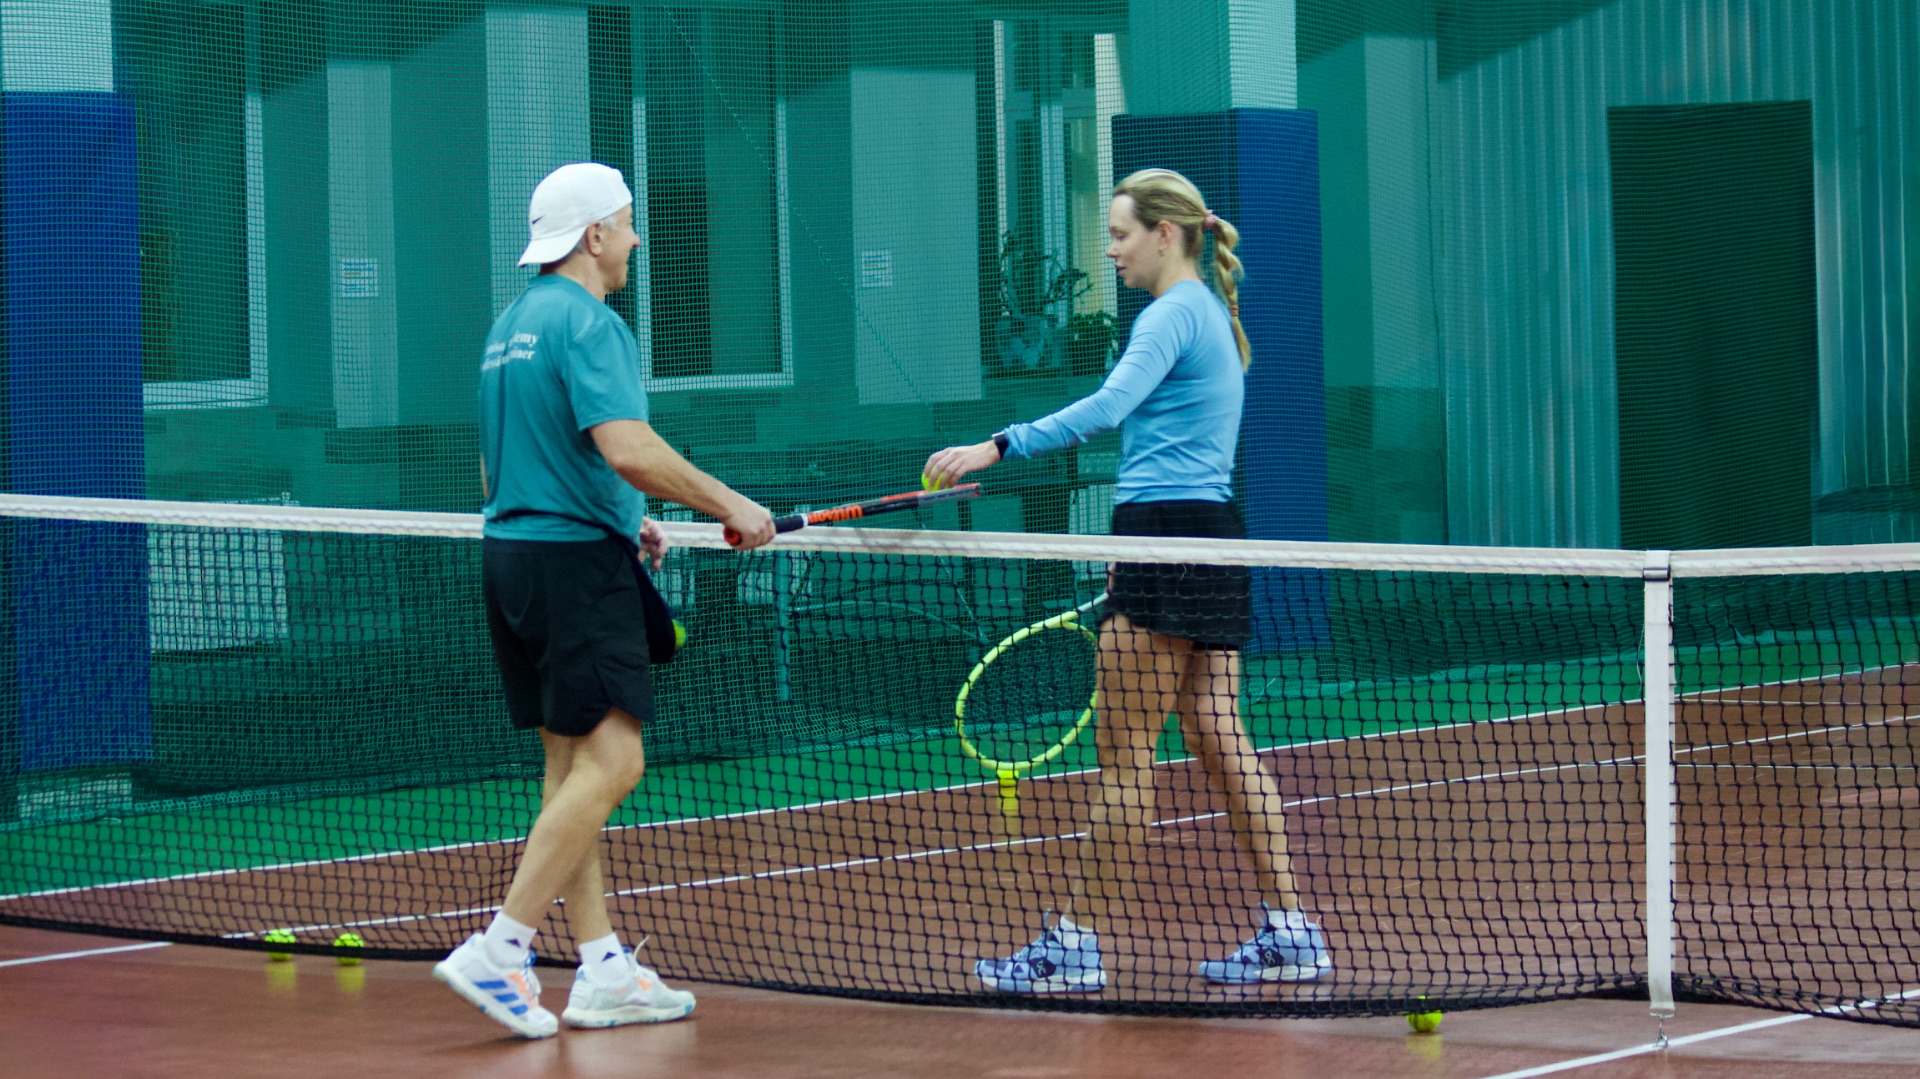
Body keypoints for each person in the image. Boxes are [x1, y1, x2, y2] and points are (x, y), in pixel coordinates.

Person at [923, 168, 1331, 993]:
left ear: (1164, 234)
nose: (1110, 251)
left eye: (1119, 234)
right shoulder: (1207, 311)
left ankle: (1074, 946)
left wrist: (997, 445)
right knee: (1217, 732)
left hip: (1165, 536)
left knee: (1125, 758)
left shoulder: (1172, 312)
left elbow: (1110, 407)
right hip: (1210, 533)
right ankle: (1293, 930)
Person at [434, 162, 777, 1038]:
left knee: (568, 770)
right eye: (626, 223)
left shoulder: (510, 327)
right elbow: (627, 446)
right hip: (572, 569)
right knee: (616, 764)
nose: (634, 238)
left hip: (513, 556)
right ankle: (501, 948)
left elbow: (506, 464)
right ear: (593, 235)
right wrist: (731, 505)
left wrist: (625, 517)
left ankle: (602, 970)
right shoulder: (592, 322)